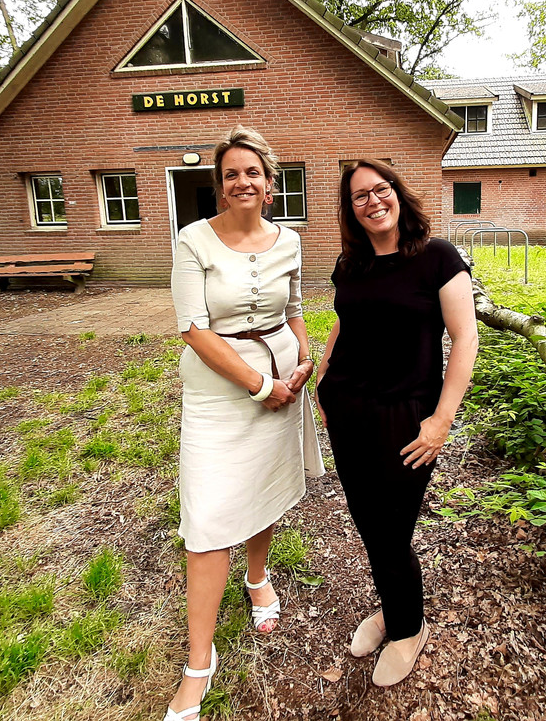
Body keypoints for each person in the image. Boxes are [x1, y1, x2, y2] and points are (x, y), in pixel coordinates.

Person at [166, 126, 324, 721]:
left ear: (270, 182)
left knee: (263, 492)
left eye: (252, 172)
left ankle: (258, 577)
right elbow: (193, 327)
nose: (242, 182)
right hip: (221, 392)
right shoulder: (193, 241)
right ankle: (198, 664)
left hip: (286, 381)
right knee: (206, 522)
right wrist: (259, 385)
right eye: (231, 173)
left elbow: (296, 309)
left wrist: (303, 365)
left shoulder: (290, 240)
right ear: (219, 185)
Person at [316, 159, 478, 687]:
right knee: (369, 521)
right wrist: (323, 379)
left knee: (391, 527)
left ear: (398, 194)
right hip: (349, 409)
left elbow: (465, 339)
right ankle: (393, 606)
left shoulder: (437, 258)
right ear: (351, 210)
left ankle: (407, 628)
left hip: (407, 415)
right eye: (359, 196)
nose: (372, 202)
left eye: (379, 190)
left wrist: (441, 420)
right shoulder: (351, 264)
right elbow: (345, 323)